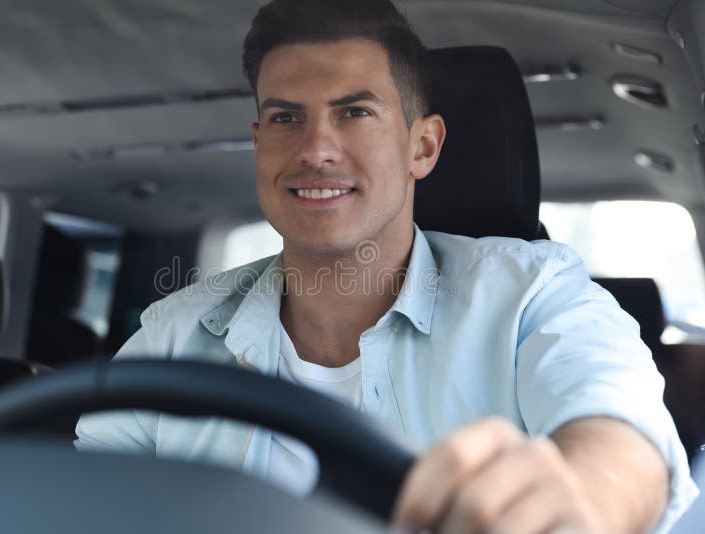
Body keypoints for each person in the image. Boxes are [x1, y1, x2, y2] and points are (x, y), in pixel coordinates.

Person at [75, 0, 699, 531]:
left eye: (355, 112)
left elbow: (620, 437)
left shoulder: (533, 296)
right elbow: (77, 500)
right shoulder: (172, 334)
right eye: (286, 117)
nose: (316, 149)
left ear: (422, 146)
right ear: (259, 142)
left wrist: (581, 501)